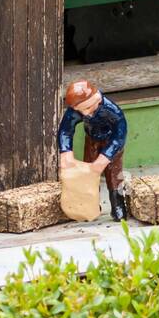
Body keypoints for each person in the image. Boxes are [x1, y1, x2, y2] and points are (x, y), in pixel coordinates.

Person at [58, 79, 129, 220]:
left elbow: (119, 136)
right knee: (88, 175)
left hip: (111, 144)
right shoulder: (76, 110)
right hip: (92, 141)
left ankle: (118, 207)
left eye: (88, 108)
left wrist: (105, 158)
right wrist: (66, 152)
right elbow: (66, 130)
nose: (85, 114)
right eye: (81, 110)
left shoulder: (113, 111)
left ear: (96, 99)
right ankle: (91, 206)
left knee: (114, 176)